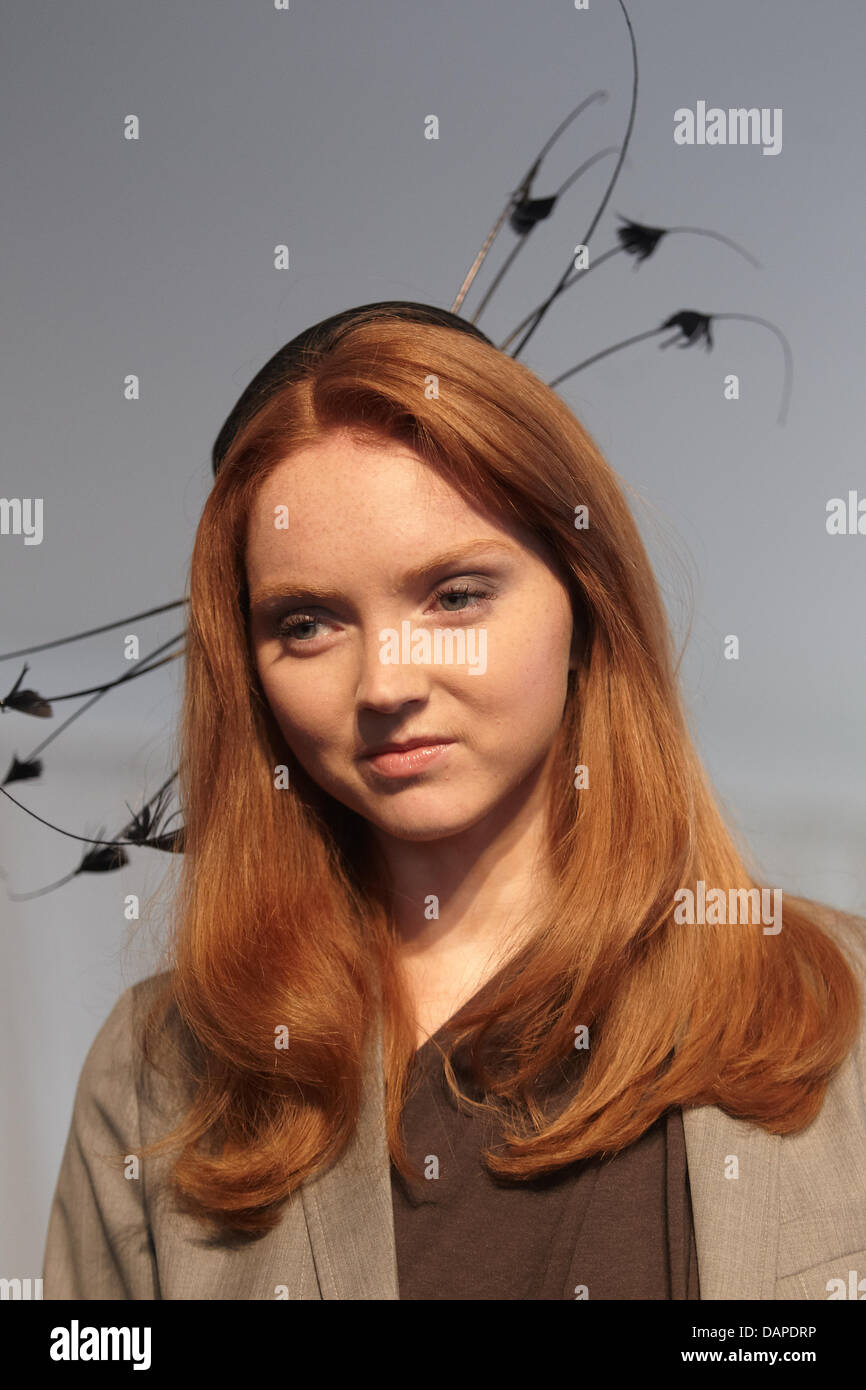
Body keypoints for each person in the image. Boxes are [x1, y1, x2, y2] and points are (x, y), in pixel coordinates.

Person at [43, 303, 866, 1301]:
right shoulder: (162, 1073)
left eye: (455, 595)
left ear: (582, 603)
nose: (386, 681)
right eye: (305, 623)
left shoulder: (841, 1009)